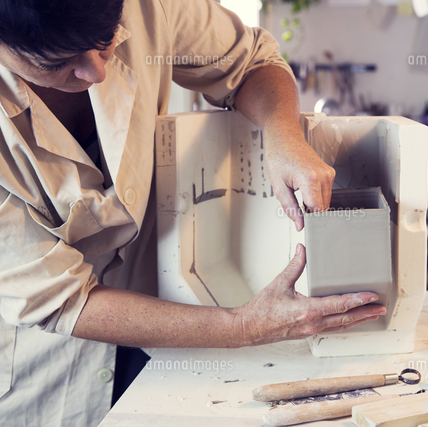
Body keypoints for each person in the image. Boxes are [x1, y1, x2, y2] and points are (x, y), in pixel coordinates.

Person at [0, 0, 386, 425]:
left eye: (105, 40)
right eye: (58, 63)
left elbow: (251, 62)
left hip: (170, 315)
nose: (96, 73)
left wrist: (284, 135)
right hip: (50, 359)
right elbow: (63, 300)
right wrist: (245, 327)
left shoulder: (148, 7)